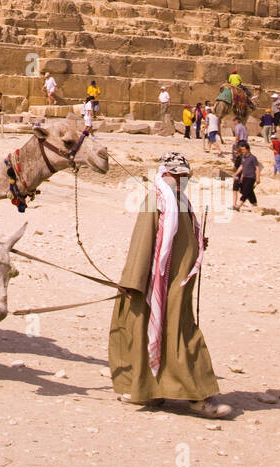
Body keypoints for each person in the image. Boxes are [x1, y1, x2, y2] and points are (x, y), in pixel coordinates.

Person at [109, 152, 230, 417]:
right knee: (175, 337)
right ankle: (197, 398)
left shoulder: (179, 202)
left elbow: (180, 237)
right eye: (178, 176)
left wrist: (198, 242)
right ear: (166, 173)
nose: (182, 181)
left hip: (177, 285)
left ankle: (157, 391)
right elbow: (142, 242)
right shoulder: (156, 200)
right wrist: (133, 283)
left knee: (175, 335)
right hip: (155, 286)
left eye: (185, 177)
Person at [233, 143, 262, 209]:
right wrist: (237, 174)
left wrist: (258, 178)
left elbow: (257, 168)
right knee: (249, 191)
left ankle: (238, 205)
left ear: (248, 149)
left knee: (245, 191)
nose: (242, 151)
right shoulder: (243, 157)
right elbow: (242, 166)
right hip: (245, 176)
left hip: (251, 177)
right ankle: (254, 204)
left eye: (243, 149)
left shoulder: (253, 158)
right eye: (241, 149)